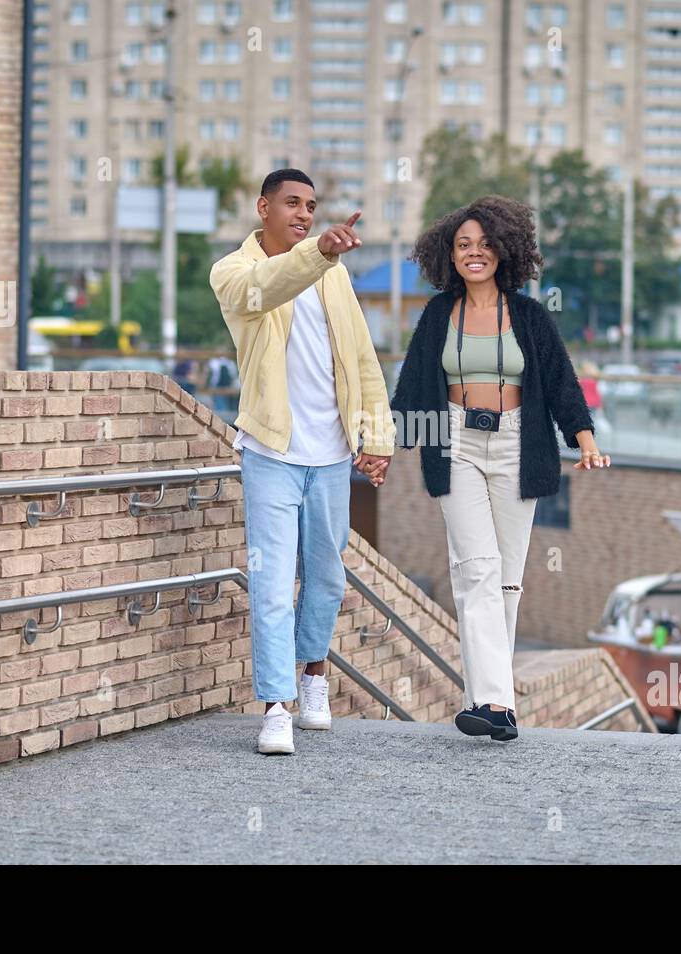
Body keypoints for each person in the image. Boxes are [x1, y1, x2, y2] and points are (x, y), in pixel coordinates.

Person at [390, 195, 611, 743]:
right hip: (457, 442)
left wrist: (584, 441)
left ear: (505, 250)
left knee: (503, 583)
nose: (474, 253)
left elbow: (562, 382)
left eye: (485, 244)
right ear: (449, 254)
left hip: (518, 445)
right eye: (464, 245)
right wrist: (382, 447)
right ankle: (498, 702)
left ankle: (483, 703)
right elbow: (415, 385)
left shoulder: (529, 316)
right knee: (480, 568)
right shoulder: (440, 314)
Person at [209, 169, 395, 755]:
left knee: (327, 578)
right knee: (269, 582)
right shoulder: (233, 272)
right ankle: (275, 706)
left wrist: (377, 437)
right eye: (292, 203)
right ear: (263, 207)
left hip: (332, 452)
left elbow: (362, 359)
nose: (304, 213)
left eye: (311, 206)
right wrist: (319, 252)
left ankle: (315, 678)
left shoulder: (333, 276)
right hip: (271, 451)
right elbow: (265, 288)